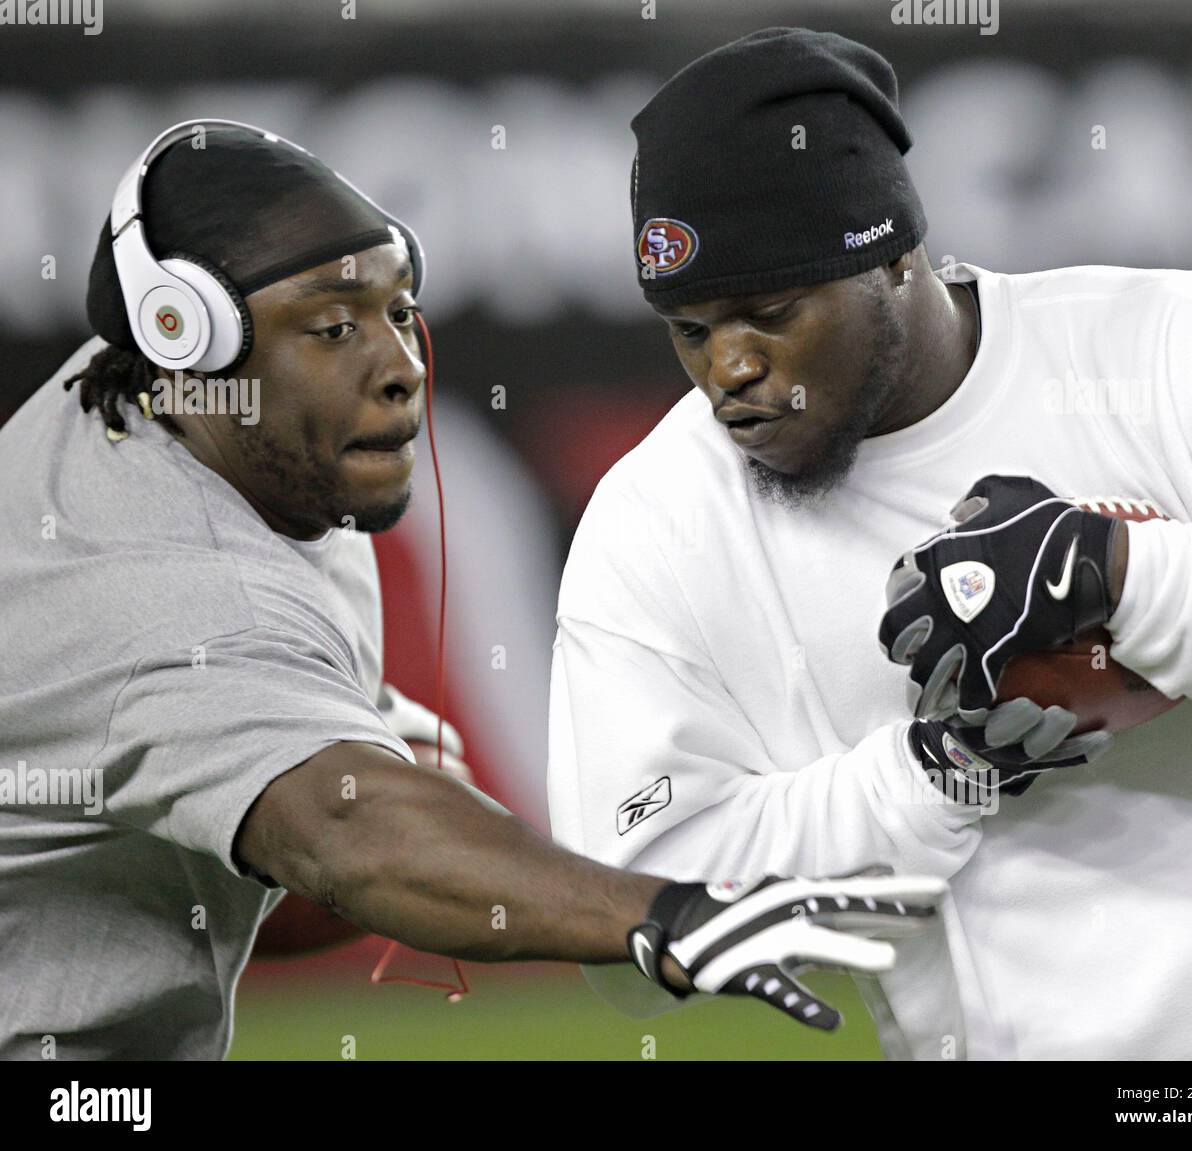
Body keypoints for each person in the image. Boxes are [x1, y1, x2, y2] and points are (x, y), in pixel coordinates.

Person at [0, 119, 946, 1060]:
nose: (403, 368)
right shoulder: (157, 587)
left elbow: (294, 844)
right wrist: (666, 913)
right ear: (184, 338)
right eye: (334, 327)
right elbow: (348, 825)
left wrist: (309, 803)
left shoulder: (180, 412)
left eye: (400, 311)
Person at [547, 28, 1192, 1060]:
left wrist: (1115, 568)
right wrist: (929, 772)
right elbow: (623, 916)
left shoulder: (1169, 342)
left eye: (769, 313)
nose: (727, 367)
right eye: (687, 327)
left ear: (896, 259)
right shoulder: (659, 521)